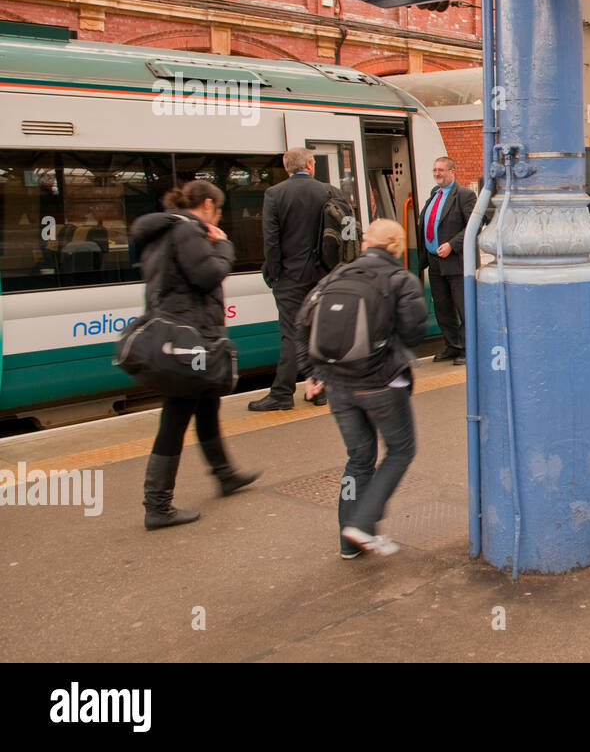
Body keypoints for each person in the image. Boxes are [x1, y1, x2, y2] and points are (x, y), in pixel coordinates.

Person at [131, 181, 260, 529]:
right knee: (176, 416)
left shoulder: (164, 231)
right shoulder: (186, 230)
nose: (216, 218)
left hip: (184, 333)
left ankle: (225, 474)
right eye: (217, 211)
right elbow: (207, 275)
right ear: (208, 205)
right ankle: (157, 504)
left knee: (207, 401)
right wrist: (223, 246)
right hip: (188, 337)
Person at [298, 219, 426, 558]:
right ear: (397, 247)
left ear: (366, 243)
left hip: (337, 384)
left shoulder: (336, 276)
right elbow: (415, 332)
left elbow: (303, 321)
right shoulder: (401, 278)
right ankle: (363, 524)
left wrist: (313, 372)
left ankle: (348, 542)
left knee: (359, 459)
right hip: (381, 383)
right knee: (400, 451)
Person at [252, 147, 338, 411]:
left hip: (290, 277)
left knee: (291, 333)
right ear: (310, 165)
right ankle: (319, 389)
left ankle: (282, 393)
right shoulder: (329, 191)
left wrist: (275, 272)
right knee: (318, 331)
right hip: (323, 274)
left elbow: (271, 240)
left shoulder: (275, 194)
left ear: (287, 167)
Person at [416, 156, 478, 367]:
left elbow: (473, 226)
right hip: (435, 261)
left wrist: (452, 244)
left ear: (452, 171)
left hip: (456, 261)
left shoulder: (464, 195)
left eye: (441, 170)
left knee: (463, 307)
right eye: (435, 170)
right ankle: (452, 346)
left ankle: (467, 348)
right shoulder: (434, 195)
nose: (437, 174)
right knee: (442, 307)